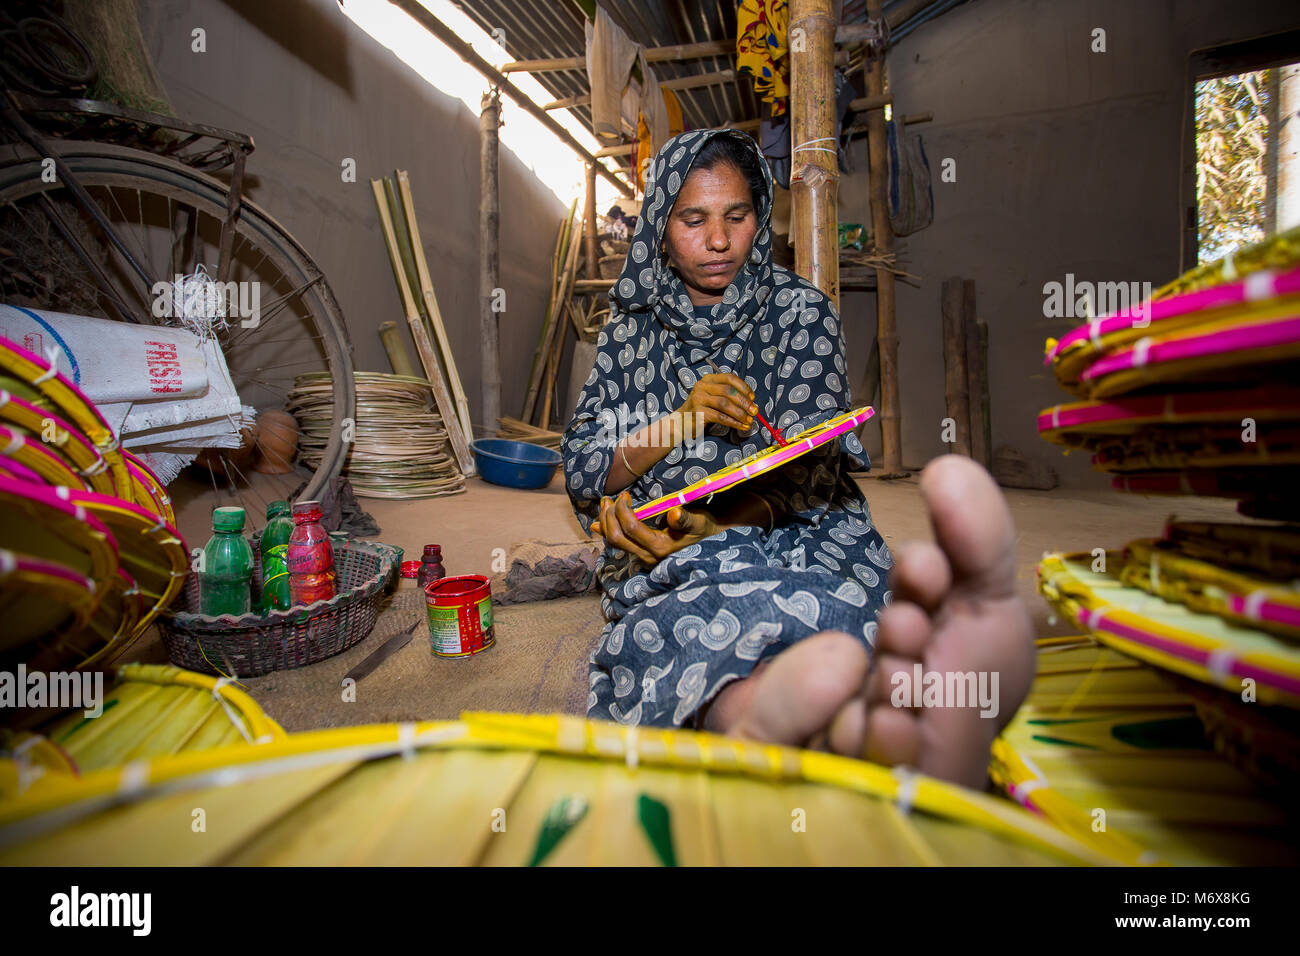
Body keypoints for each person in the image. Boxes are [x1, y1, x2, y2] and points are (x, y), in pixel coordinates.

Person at [562, 129, 1034, 789]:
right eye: (693, 220)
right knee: (686, 594)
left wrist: (724, 524)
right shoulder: (628, 328)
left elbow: (817, 465)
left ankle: (851, 704)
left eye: (738, 216)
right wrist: (679, 423)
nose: (719, 240)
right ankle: (759, 713)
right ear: (660, 227)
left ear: (761, 217)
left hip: (789, 519)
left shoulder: (800, 314)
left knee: (833, 582)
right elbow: (585, 467)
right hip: (663, 539)